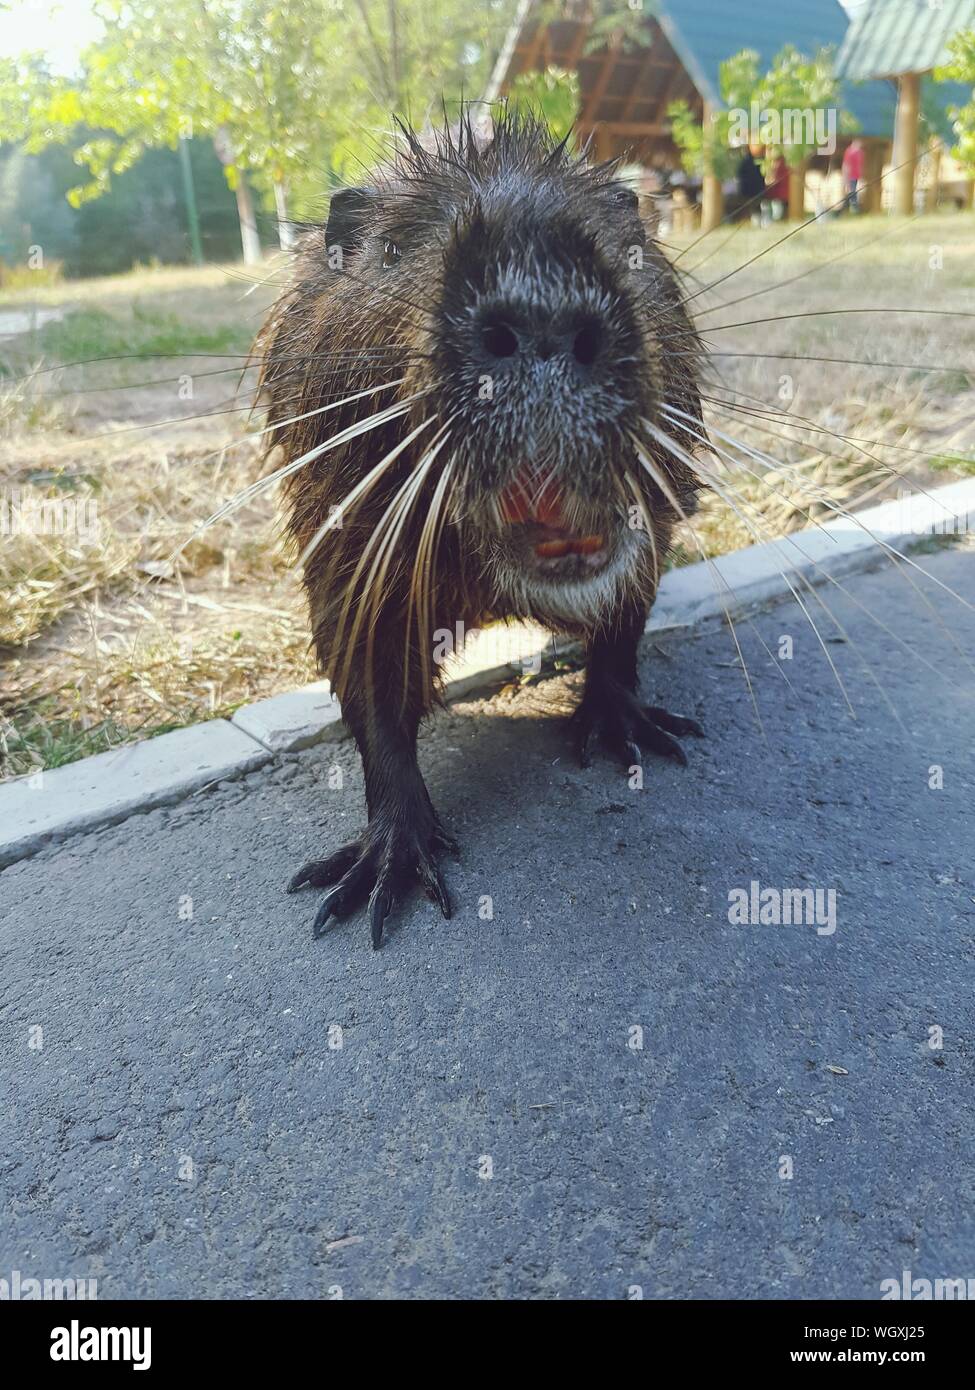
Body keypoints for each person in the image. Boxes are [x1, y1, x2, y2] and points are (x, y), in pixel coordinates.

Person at [736, 147, 766, 223]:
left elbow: (739, 175)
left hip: (748, 190)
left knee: (752, 206)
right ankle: (756, 219)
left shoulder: (744, 162)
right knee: (756, 205)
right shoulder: (757, 161)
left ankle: (755, 219)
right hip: (757, 189)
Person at [842, 138, 865, 212]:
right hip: (851, 176)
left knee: (853, 192)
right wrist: (845, 177)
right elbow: (846, 165)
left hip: (857, 176)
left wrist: (861, 177)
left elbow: (860, 165)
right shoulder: (849, 151)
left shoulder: (860, 153)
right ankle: (855, 208)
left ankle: (848, 208)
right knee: (852, 191)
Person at [767, 153, 790, 221]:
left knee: (778, 215)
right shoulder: (787, 162)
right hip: (786, 194)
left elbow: (776, 180)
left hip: (779, 195)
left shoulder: (778, 164)